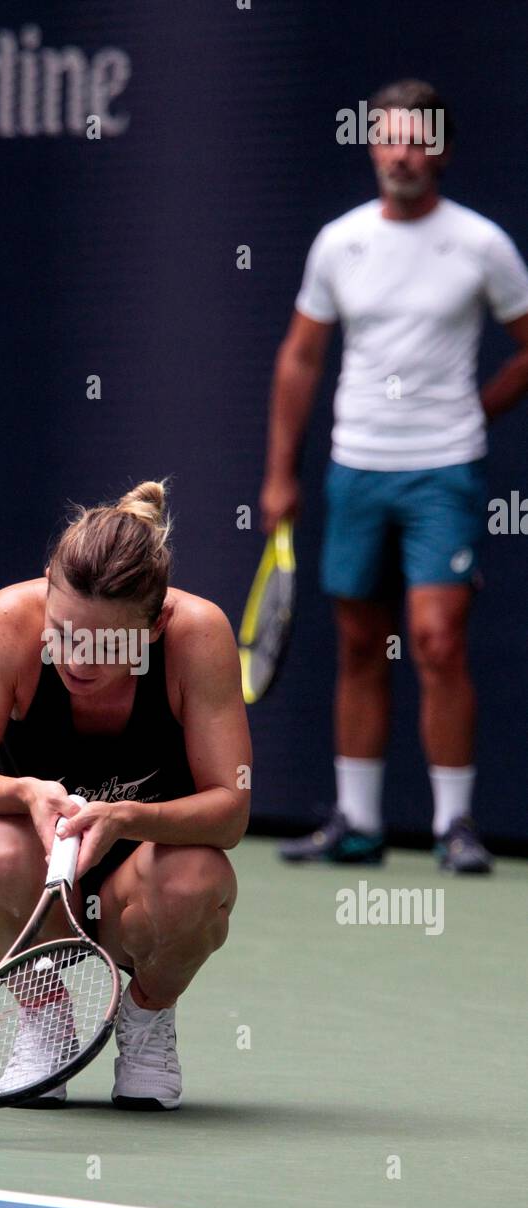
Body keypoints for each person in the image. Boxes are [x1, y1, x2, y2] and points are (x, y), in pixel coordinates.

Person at [262, 79, 528, 871]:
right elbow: (301, 357)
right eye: (389, 139)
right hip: (356, 467)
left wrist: (477, 412)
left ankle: (454, 824)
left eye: (418, 140)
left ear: (439, 150)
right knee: (357, 644)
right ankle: (359, 822)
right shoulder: (339, 243)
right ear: (372, 145)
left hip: (441, 470)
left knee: (437, 641)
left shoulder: (481, 244)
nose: (403, 153)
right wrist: (281, 472)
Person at [0, 481, 250, 1108]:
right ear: (46, 587)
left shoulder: (199, 636)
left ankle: (148, 1017)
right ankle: (44, 1018)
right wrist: (23, 792)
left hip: (144, 883)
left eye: (104, 644)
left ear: (153, 628)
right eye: (62, 632)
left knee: (197, 879)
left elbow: (229, 812)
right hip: (41, 880)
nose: (76, 659)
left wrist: (128, 817)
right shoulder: (6, 623)